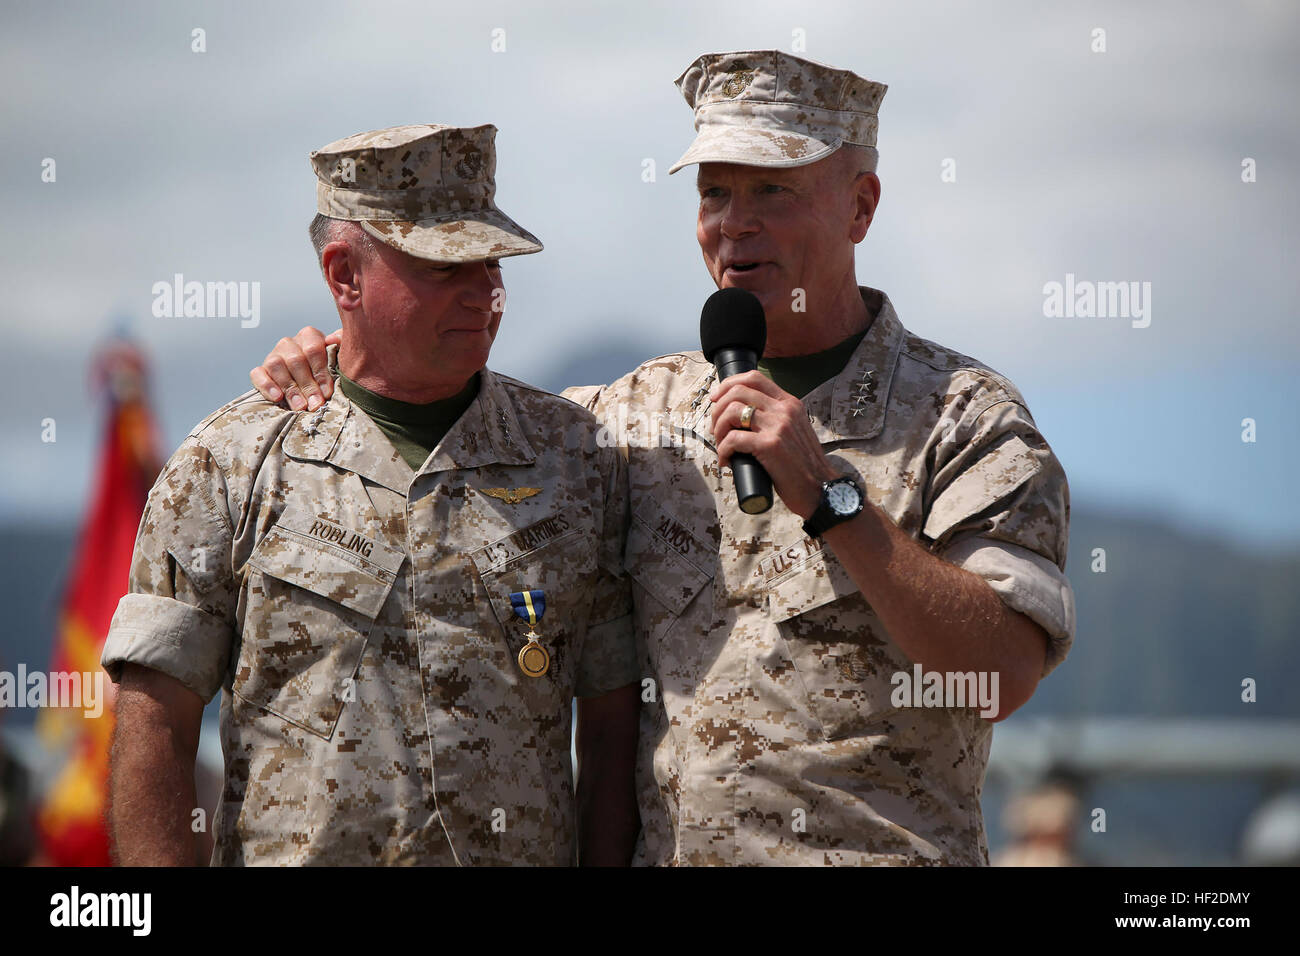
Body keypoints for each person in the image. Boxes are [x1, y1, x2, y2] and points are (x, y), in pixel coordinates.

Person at [251, 51, 1077, 866]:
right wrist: (340, 360)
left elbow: (1001, 675)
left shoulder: (965, 417)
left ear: (860, 207)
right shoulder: (628, 419)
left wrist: (834, 499)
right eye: (714, 191)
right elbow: (447, 418)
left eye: (771, 190)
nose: (734, 222)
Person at [102, 124, 640, 866]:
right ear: (344, 275)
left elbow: (615, 730)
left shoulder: (577, 459)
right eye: (445, 265)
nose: (485, 290)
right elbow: (154, 729)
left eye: (490, 260)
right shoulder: (227, 465)